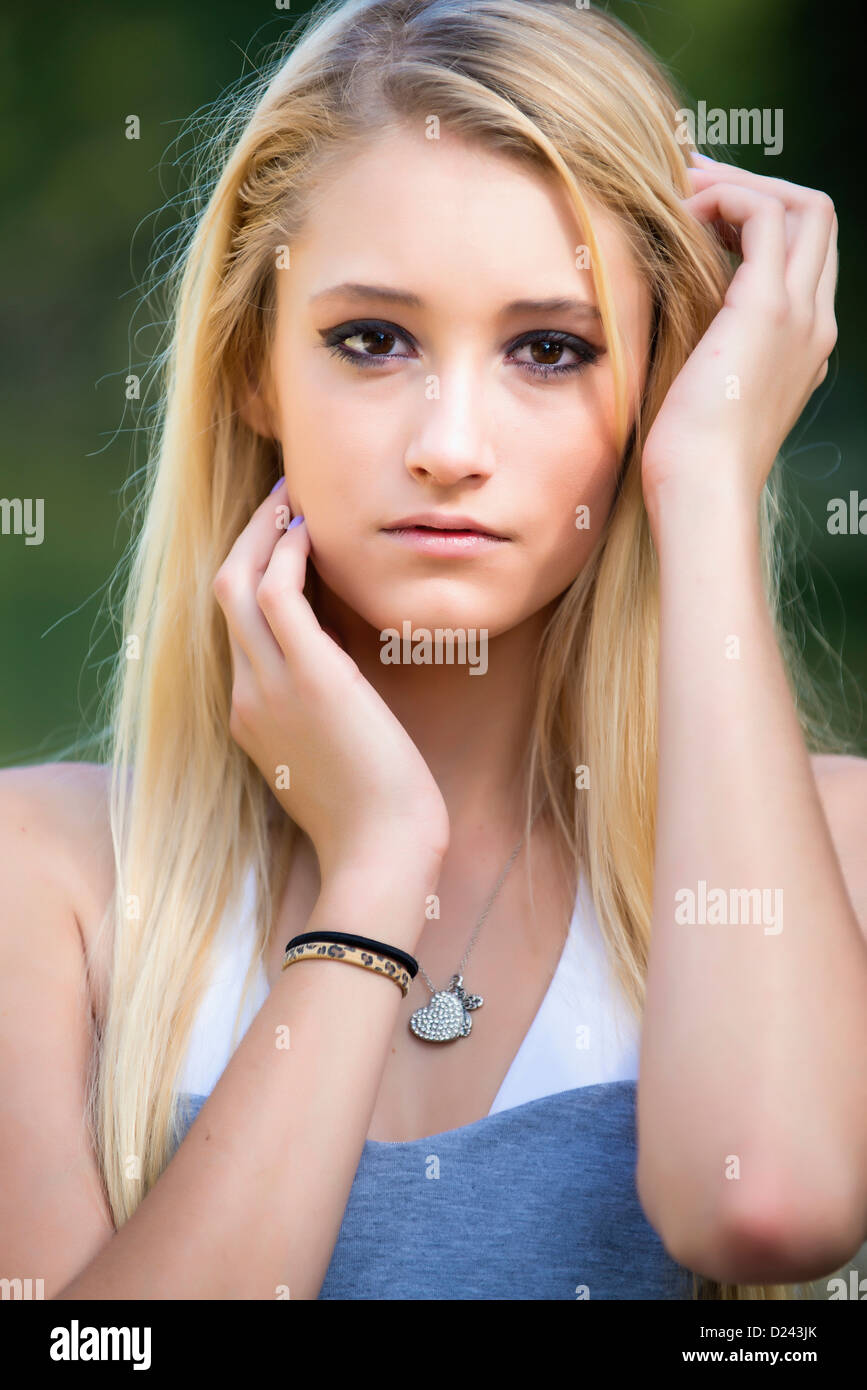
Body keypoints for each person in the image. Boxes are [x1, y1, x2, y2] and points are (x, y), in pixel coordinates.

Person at [1, 0, 865, 1302]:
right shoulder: (45, 879)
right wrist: (372, 871)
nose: (450, 443)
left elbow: (770, 1209)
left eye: (550, 348)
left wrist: (704, 488)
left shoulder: (837, 842)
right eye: (373, 339)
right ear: (255, 367)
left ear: (659, 385)